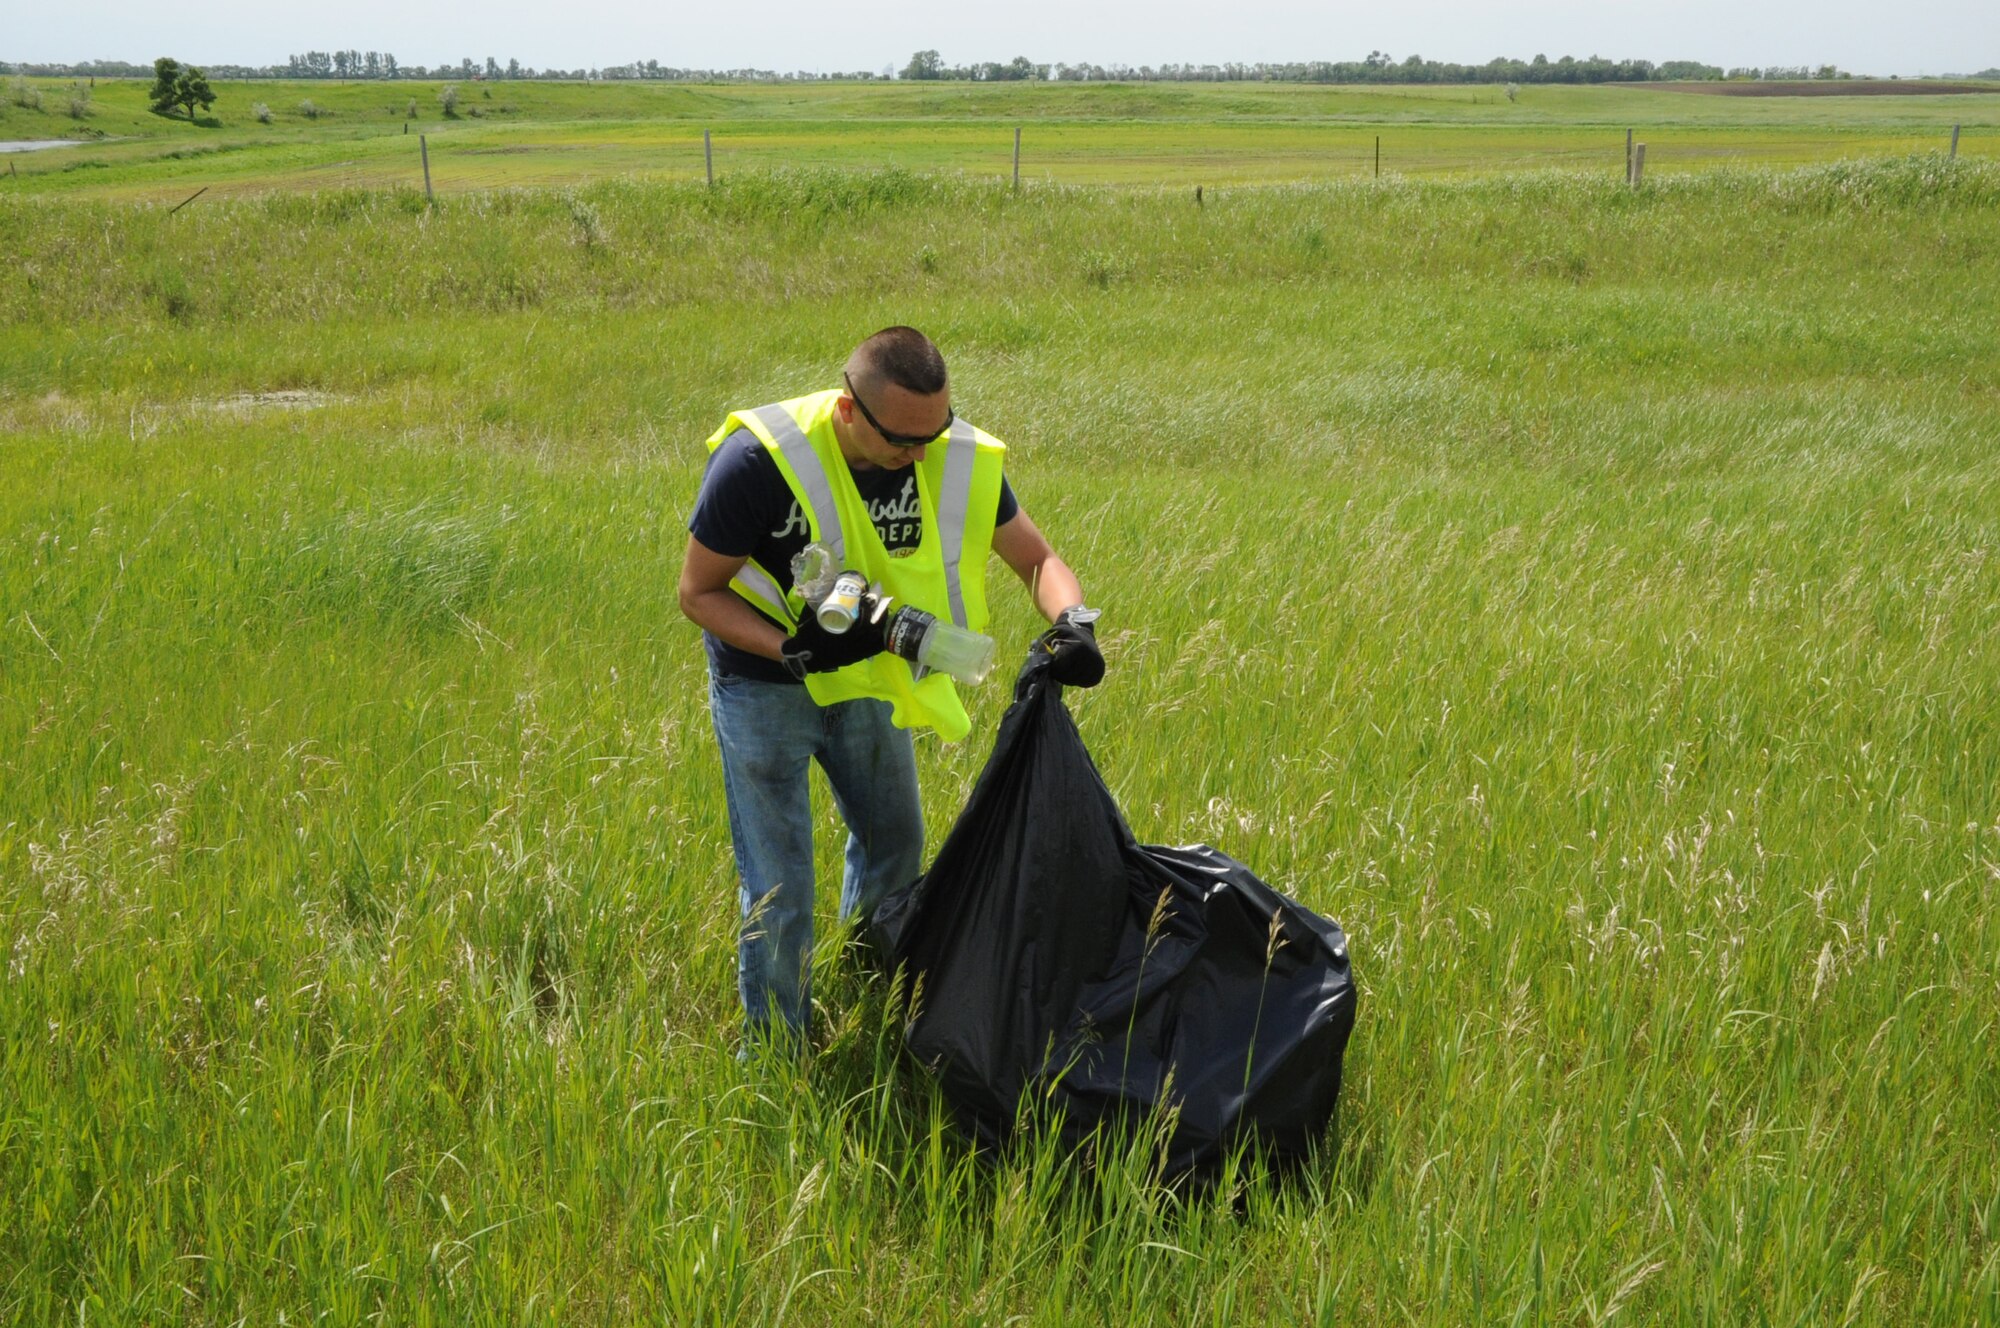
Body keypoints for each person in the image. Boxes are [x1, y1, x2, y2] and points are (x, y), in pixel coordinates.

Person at [678, 326, 1104, 1049]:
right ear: (850, 410)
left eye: (933, 433)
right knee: (781, 886)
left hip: (869, 682)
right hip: (764, 687)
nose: (921, 453)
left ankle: (868, 990)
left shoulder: (950, 455)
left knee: (894, 846)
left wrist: (1075, 622)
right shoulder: (759, 462)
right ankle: (776, 1049)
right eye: (904, 440)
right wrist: (793, 649)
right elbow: (697, 592)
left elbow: (1038, 559)